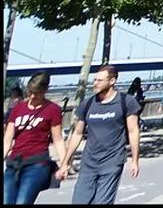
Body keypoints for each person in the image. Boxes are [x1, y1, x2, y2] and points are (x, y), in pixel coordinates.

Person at [56, 64, 140, 205]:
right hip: (88, 162)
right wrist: (65, 163)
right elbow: (77, 134)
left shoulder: (127, 102)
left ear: (112, 81)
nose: (95, 83)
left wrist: (135, 160)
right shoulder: (87, 104)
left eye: (100, 80)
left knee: (102, 202)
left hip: (112, 162)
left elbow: (133, 131)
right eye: (94, 80)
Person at [2, 72, 66, 204]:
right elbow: (8, 138)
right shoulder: (17, 109)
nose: (32, 96)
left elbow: (58, 139)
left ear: (45, 90)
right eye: (30, 92)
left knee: (22, 202)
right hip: (14, 163)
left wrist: (64, 164)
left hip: (36, 164)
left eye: (36, 93)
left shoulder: (52, 110)